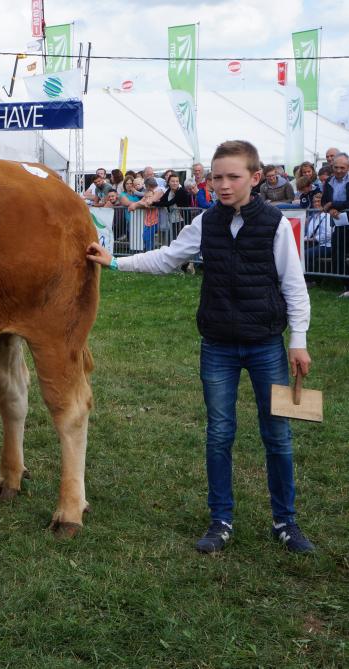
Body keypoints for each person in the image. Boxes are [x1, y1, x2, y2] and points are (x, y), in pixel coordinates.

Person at [85, 140, 315, 554]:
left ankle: (286, 522)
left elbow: (295, 288)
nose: (223, 185)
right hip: (218, 348)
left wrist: (297, 342)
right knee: (219, 435)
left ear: (255, 178)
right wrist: (116, 261)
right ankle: (220, 520)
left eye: (233, 177)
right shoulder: (206, 222)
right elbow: (168, 258)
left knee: (277, 435)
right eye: (216, 177)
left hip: (267, 347)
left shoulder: (276, 225)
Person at [321, 153, 349, 297]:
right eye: (336, 167)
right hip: (338, 222)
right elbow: (324, 202)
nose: (338, 170)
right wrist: (331, 208)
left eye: (342, 168)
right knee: (337, 252)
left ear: (348, 167)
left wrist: (334, 204)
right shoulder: (329, 180)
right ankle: (345, 284)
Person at [303, 192, 333, 274]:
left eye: (318, 201)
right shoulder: (313, 216)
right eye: (314, 202)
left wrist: (313, 239)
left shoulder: (327, 215)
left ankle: (311, 279)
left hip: (327, 246)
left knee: (306, 254)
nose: (316, 204)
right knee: (297, 251)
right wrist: (305, 239)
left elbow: (328, 235)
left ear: (323, 202)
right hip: (315, 243)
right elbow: (309, 234)